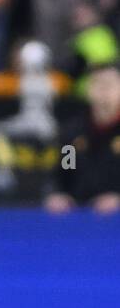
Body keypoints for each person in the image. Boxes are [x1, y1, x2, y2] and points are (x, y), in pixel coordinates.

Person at [45, 62, 120, 215]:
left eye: (109, 84)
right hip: (81, 216)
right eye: (97, 83)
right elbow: (65, 170)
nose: (103, 90)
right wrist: (59, 194)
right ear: (87, 90)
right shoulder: (72, 133)